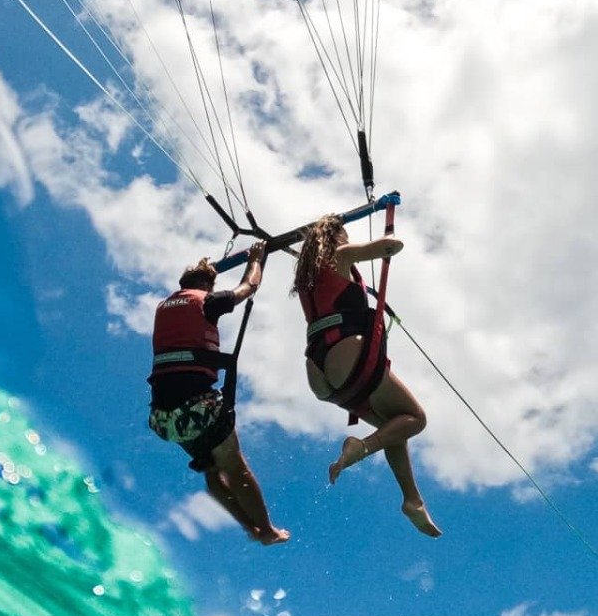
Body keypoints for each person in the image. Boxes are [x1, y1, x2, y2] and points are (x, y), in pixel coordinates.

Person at [293, 216, 440, 537]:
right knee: (415, 418)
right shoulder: (341, 255)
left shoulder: (306, 277)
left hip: (318, 371)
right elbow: (392, 247)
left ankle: (412, 499)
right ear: (335, 235)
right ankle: (359, 448)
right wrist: (385, 235)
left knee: (393, 426)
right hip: (344, 356)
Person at [147, 242, 288, 545]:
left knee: (212, 468)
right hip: (195, 412)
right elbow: (249, 285)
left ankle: (251, 529)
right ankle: (265, 528)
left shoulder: (164, 306)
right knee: (235, 467)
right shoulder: (207, 302)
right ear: (207, 286)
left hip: (163, 419)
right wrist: (256, 259)